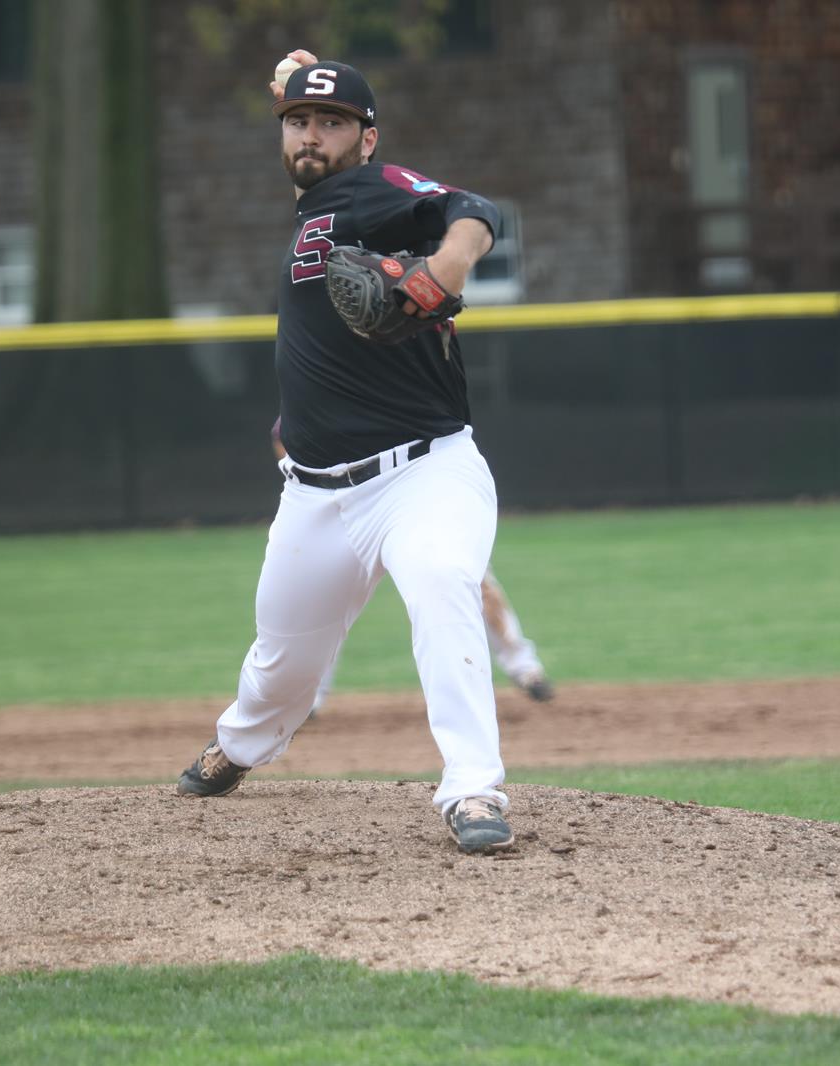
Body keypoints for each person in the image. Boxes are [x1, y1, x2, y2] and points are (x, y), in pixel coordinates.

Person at [177, 51, 518, 854]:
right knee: (282, 661)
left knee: (442, 586)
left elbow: (474, 210)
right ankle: (240, 744)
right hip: (315, 492)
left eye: (333, 124)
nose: (312, 135)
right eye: (300, 121)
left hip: (423, 474)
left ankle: (473, 791)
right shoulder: (313, 206)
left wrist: (442, 269)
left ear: (368, 139)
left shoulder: (372, 189)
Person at [268, 416, 554, 715]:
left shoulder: (406, 389)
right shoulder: (327, 389)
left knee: (473, 579)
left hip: (417, 497)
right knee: (324, 599)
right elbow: (283, 435)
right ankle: (308, 696)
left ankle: (525, 668)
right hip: (352, 505)